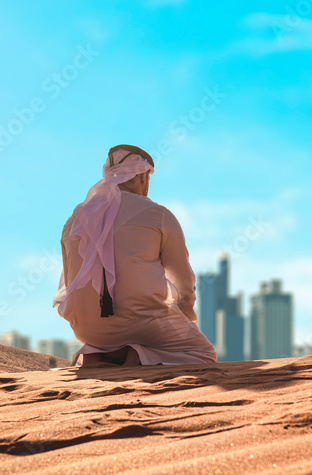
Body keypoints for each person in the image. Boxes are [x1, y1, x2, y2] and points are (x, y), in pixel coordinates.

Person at [52, 144, 216, 367]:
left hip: (85, 327)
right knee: (202, 353)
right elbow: (183, 280)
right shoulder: (159, 215)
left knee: (115, 330)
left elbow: (69, 281)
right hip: (144, 324)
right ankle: (139, 356)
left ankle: (96, 352)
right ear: (143, 178)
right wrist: (185, 317)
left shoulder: (73, 221)